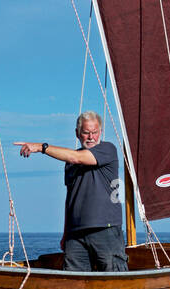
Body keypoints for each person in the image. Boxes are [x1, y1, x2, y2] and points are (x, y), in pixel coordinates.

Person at [15, 111, 127, 271]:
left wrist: (42, 147)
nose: (91, 137)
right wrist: (66, 233)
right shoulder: (69, 164)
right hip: (75, 234)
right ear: (77, 133)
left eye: (95, 132)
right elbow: (70, 200)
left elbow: (76, 157)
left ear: (100, 132)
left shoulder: (108, 149)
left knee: (114, 279)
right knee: (73, 281)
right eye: (86, 132)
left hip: (105, 229)